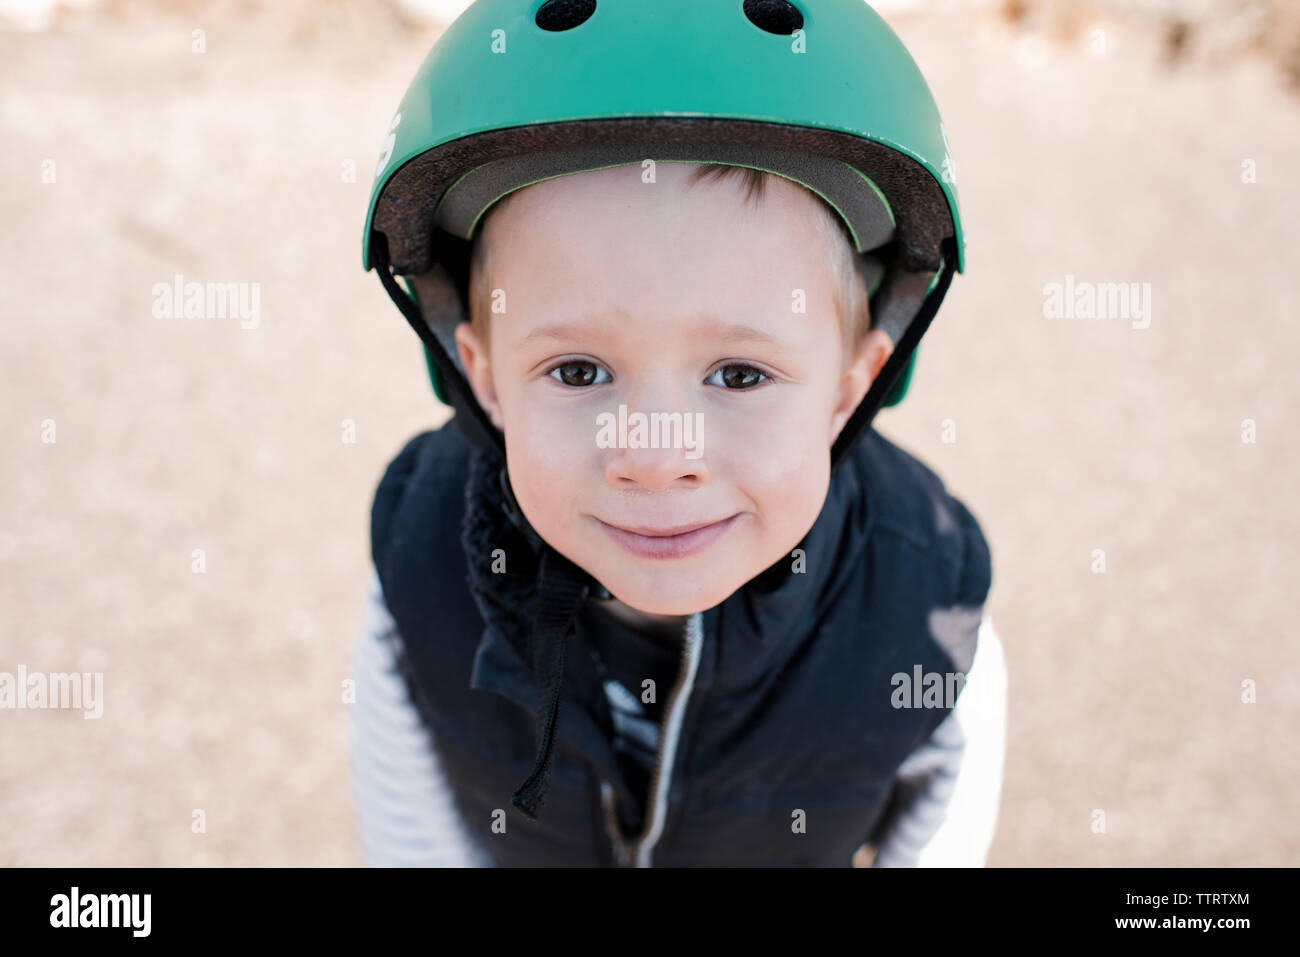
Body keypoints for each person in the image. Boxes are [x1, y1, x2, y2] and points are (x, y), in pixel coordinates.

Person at [351, 0, 1007, 867]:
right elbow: (417, 837)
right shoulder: (422, 558)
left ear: (854, 386)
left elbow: (938, 838)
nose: (657, 458)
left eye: (739, 375)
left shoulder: (920, 606)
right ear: (482, 376)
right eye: (579, 371)